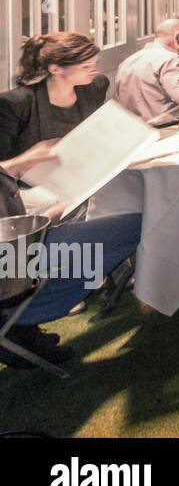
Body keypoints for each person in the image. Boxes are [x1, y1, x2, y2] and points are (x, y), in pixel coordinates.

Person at [0, 139, 142, 368]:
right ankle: (16, 321)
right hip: (14, 258)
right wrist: (44, 220)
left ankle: (19, 326)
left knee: (106, 210)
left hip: (19, 240)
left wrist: (17, 164)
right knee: (136, 223)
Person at [0, 33, 110, 161]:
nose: (95, 70)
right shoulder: (15, 103)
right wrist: (27, 159)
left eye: (95, 63)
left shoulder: (95, 86)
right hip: (27, 177)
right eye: (86, 66)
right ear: (55, 69)